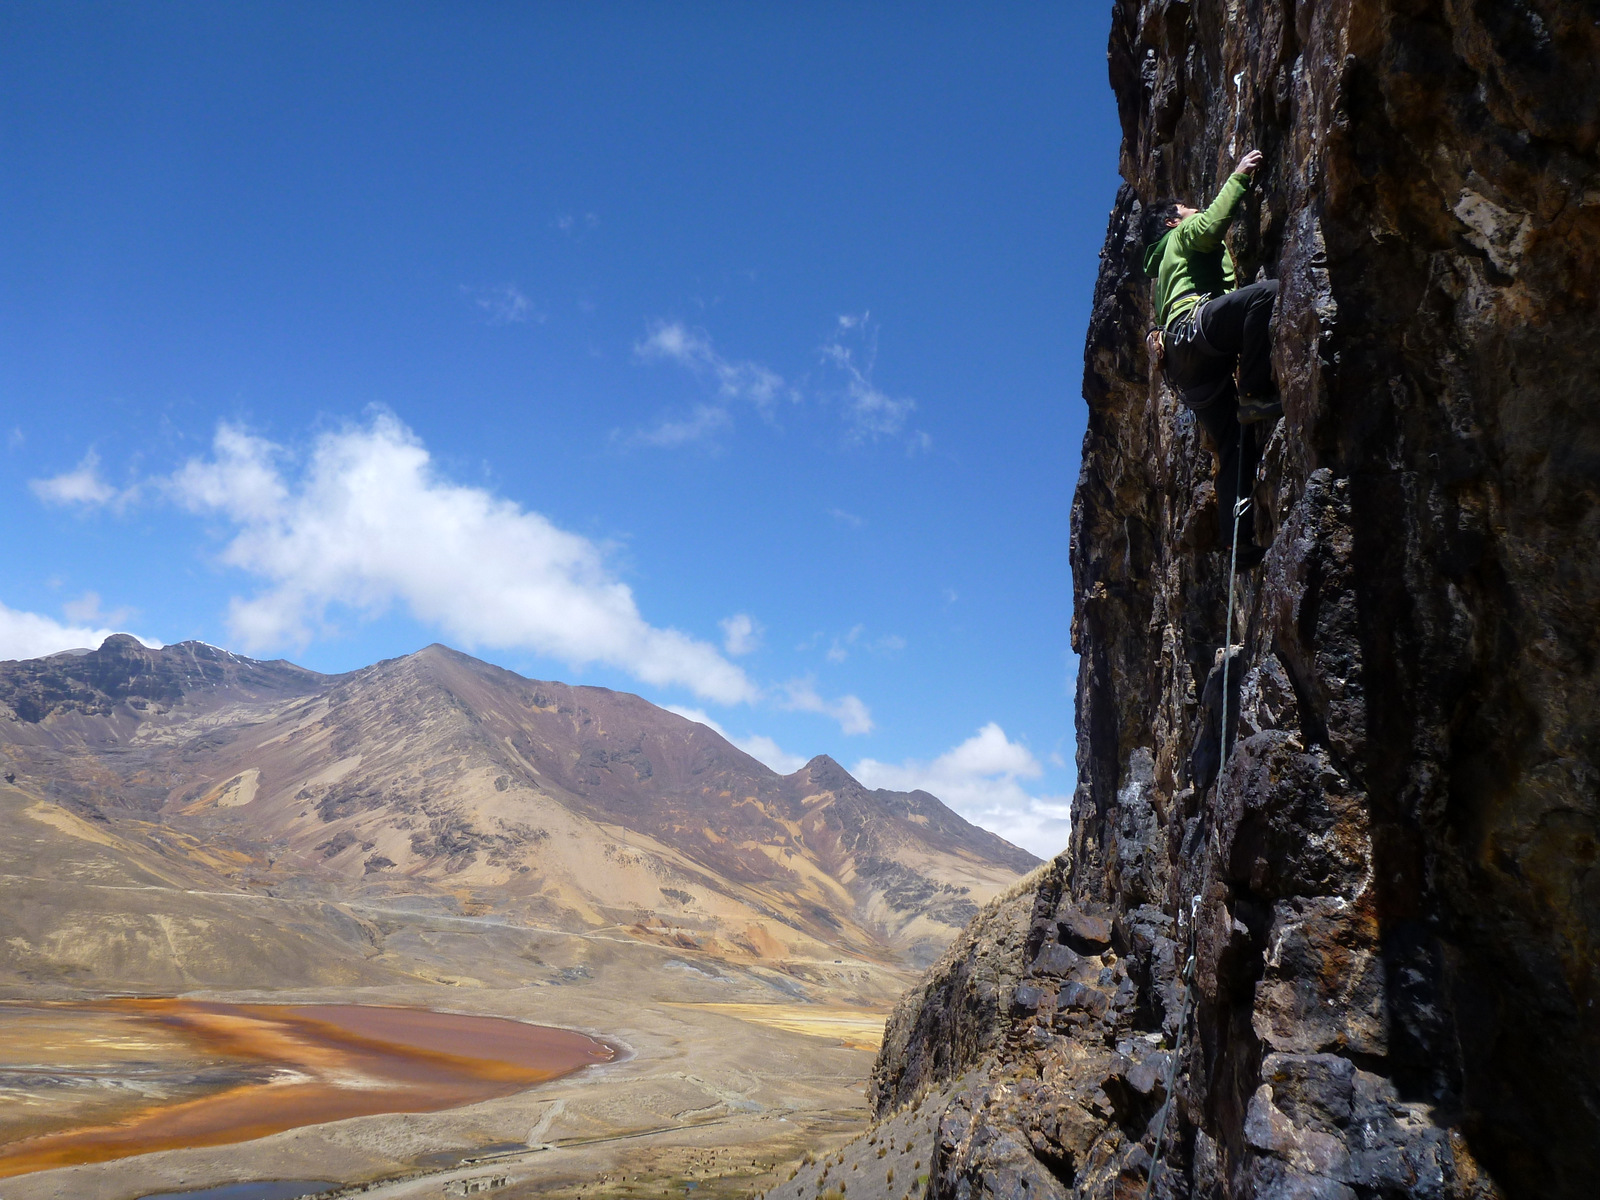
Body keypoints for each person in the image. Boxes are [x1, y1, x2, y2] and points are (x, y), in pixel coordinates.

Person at [1142, 149, 1280, 570]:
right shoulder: (1177, 238)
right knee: (1266, 294)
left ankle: (1235, 542)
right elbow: (1210, 226)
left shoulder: (1160, 274)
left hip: (1187, 371)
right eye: (1184, 207)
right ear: (1171, 220)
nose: (1192, 207)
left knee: (1235, 443)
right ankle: (1255, 392)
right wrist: (1238, 177)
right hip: (1195, 331)